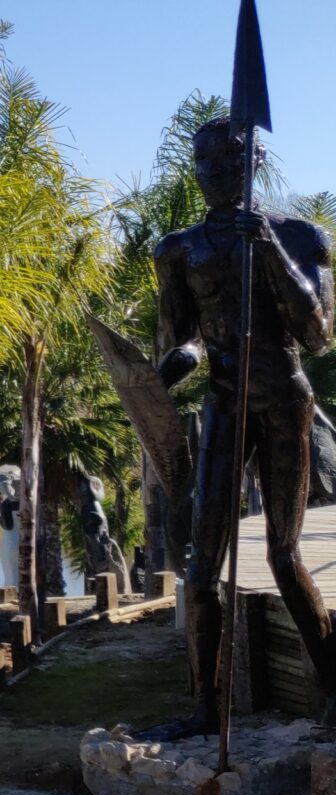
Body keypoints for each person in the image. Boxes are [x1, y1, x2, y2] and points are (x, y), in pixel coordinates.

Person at [157, 117, 336, 726]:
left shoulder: (303, 236)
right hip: (226, 400)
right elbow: (178, 336)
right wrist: (182, 357)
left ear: (252, 165)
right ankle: (205, 707)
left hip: (284, 398)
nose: (213, 175)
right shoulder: (179, 249)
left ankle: (333, 689)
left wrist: (267, 248)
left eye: (227, 163)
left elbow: (316, 334)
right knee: (202, 565)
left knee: (283, 556)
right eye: (203, 164)